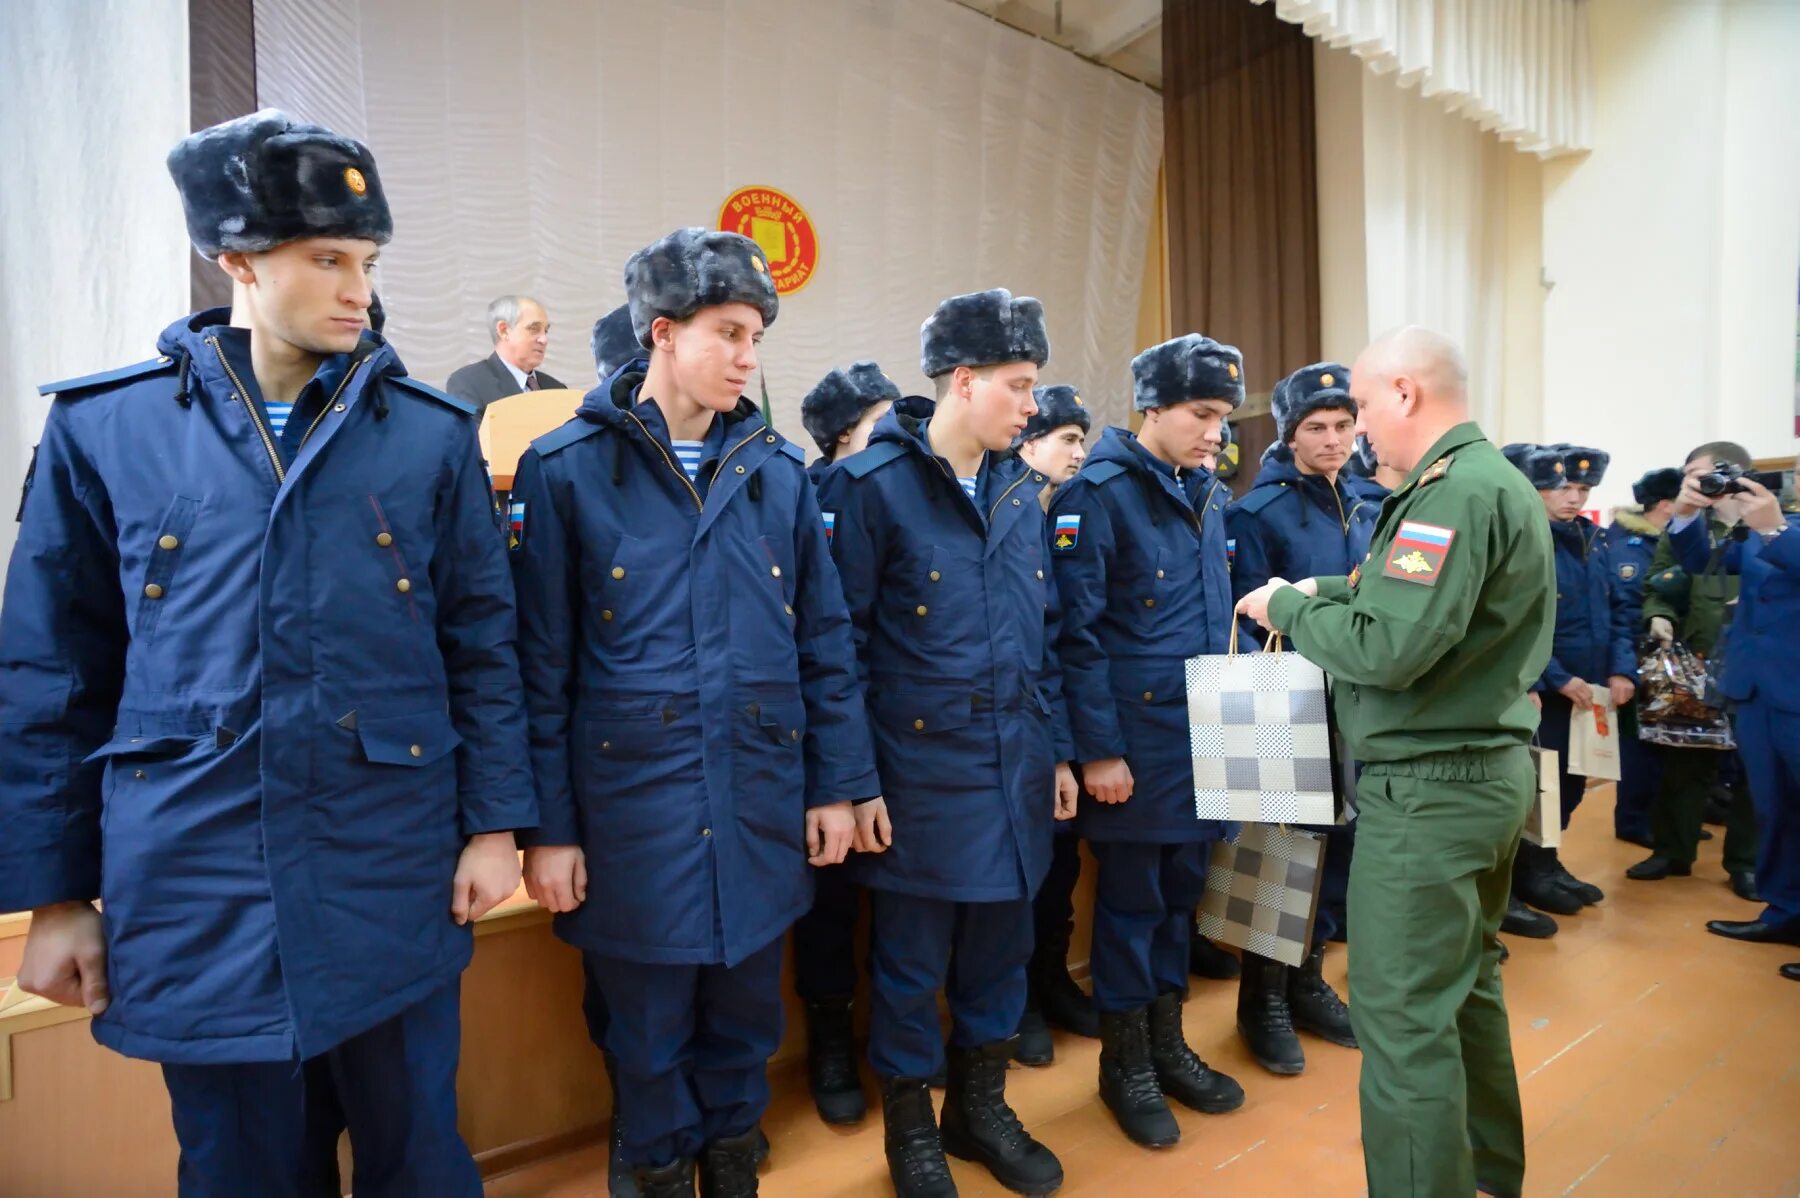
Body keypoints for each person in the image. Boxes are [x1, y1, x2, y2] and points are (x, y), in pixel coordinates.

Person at [0, 109, 534, 1196]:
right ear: (236, 258)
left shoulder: (427, 433)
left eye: (367, 260)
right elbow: (50, 673)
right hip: (199, 873)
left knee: (417, 1149)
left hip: (390, 858)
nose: (356, 286)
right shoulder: (106, 429)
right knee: (241, 1163)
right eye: (326, 258)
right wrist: (55, 894)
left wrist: (494, 823)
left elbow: (482, 645)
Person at [508, 227, 873, 1197]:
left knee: (746, 1021)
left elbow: (825, 645)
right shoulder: (567, 468)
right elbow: (539, 669)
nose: (750, 357)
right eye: (730, 333)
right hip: (634, 819)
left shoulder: (778, 472)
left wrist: (839, 785)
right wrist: (548, 832)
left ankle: (731, 1159)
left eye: (757, 336)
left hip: (757, 805)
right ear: (662, 333)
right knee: (644, 1029)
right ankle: (659, 1167)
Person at [1237, 326, 1554, 1198]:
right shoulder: (1490, 480)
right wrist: (1318, 593)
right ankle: (1487, 1170)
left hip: (1429, 792)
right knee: (1466, 988)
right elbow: (1398, 600)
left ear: (1406, 394)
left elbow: (1387, 649)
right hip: (1482, 776)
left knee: (1404, 1015)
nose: (1361, 429)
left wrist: (1296, 615)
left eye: (1367, 407)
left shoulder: (1445, 497)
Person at [818, 288, 1078, 1198]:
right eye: (1018, 384)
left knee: (1000, 955)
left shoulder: (1021, 489)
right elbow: (835, 649)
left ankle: (979, 1107)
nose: (1031, 404)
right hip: (918, 776)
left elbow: (1044, 632)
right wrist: (852, 784)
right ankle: (910, 1128)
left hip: (1014, 769)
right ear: (964, 383)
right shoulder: (868, 488)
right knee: (908, 964)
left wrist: (1062, 755)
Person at [1048, 335, 1249, 1149]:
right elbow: (1075, 634)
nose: (1216, 432)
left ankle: (1168, 1041)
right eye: (1203, 414)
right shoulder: (1096, 496)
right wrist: (1096, 749)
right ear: (1154, 406)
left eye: (1225, 417)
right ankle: (1124, 1062)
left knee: (1181, 898)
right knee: (1130, 908)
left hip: (1209, 735)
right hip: (1136, 747)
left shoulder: (1207, 495)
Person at [1223, 362, 1371, 1074]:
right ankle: (1263, 999)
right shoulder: (1255, 514)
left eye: (1344, 426)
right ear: (1289, 432)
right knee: (1277, 858)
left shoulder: (1372, 504)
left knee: (1339, 853)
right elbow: (1240, 619)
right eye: (1316, 427)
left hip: (1361, 705)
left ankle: (1309, 977)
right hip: (1281, 703)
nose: (1333, 439)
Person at [1656, 456, 1800, 973]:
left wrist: (1775, 528)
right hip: (1758, 692)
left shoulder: (1780, 529)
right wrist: (1690, 513)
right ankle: (1786, 911)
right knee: (1775, 808)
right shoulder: (1774, 527)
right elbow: (1703, 563)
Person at [1008, 383, 1099, 1067]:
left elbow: (1070, 637)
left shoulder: (1068, 512)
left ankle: (1051, 978)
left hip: (1057, 717)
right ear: (1027, 442)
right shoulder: (1010, 511)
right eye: (1067, 438)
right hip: (1012, 722)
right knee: (1018, 879)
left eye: (1081, 439)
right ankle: (1021, 1003)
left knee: (1060, 867)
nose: (1079, 452)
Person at [1506, 443, 1636, 919]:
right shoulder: (1527, 538)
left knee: (1575, 781)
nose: (1573, 498)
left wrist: (1621, 669)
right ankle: (1528, 872)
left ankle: (1548, 861)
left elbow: (1619, 608)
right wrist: (1556, 677)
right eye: (1562, 487)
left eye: (1582, 488)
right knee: (1544, 783)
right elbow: (1519, 619)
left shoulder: (1595, 539)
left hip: (1593, 690)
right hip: (1551, 689)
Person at [1607, 467, 1683, 848]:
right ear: (1667, 506)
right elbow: (1626, 609)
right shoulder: (1630, 549)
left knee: (1666, 745)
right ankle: (1635, 820)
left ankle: (1664, 817)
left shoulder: (1667, 542)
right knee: (1640, 748)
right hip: (1641, 657)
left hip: (1669, 661)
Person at [445, 293, 565, 423]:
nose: (544, 339)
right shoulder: (468, 383)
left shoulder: (557, 389)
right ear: (504, 331)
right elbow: (476, 440)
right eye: (534, 329)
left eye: (545, 331)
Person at [800, 361, 902, 482]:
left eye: (896, 419)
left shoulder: (901, 478)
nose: (895, 428)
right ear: (844, 433)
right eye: (882, 419)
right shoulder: (813, 497)